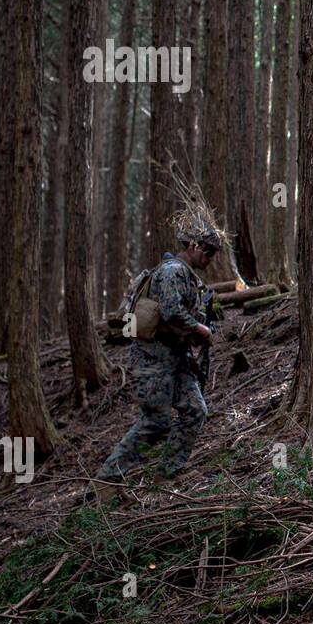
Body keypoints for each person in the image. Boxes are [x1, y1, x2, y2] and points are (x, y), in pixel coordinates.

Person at [94, 205, 226, 490]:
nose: (210, 259)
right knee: (156, 421)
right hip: (152, 359)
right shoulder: (173, 271)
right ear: (193, 246)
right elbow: (171, 312)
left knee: (195, 410)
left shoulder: (186, 274)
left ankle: (166, 474)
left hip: (176, 359)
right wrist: (201, 329)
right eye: (208, 251)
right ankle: (107, 480)